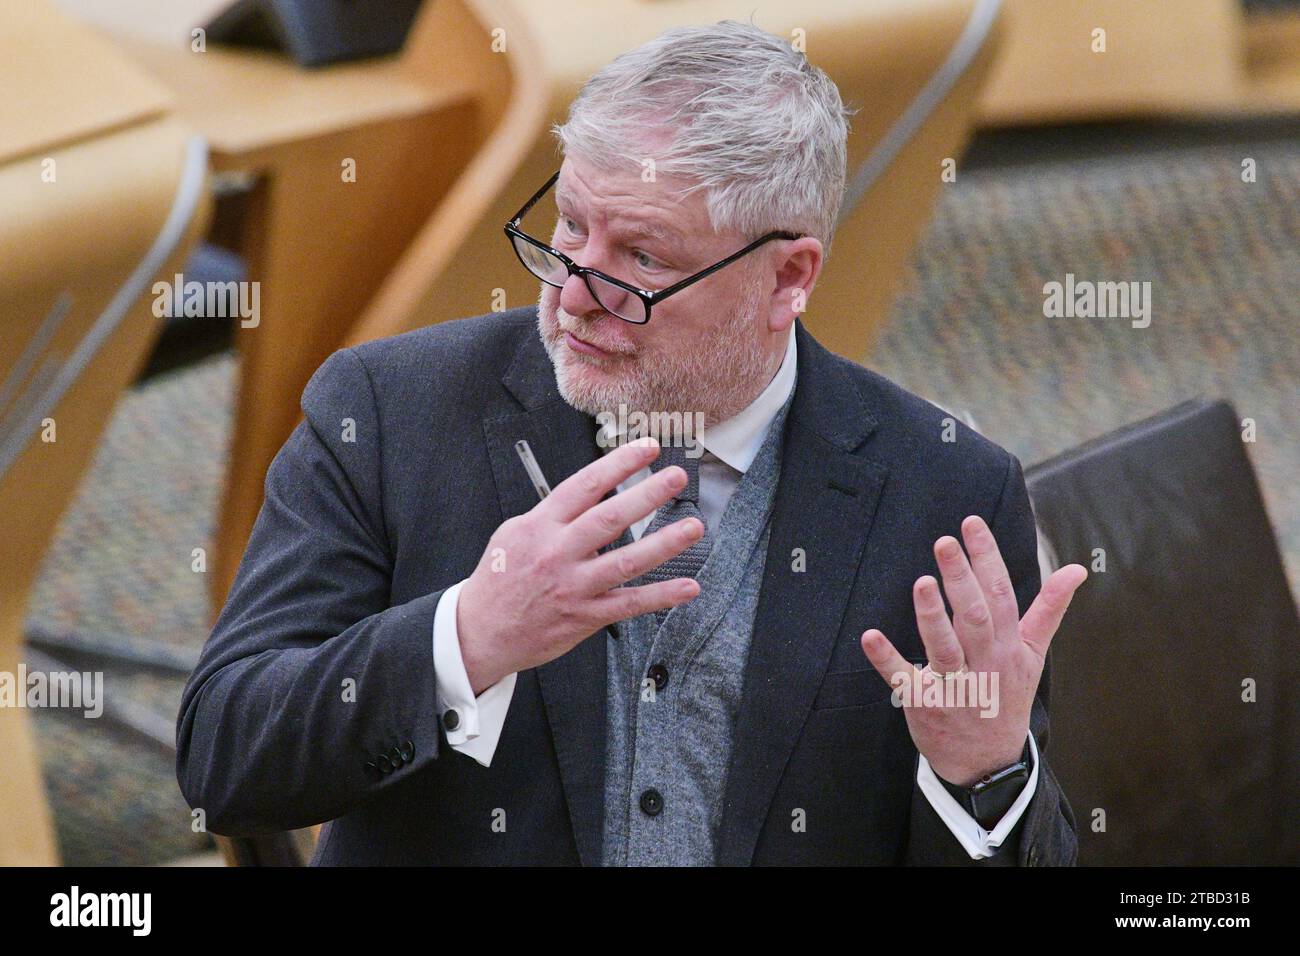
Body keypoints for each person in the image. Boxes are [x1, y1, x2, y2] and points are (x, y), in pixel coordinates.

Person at [177, 20, 1087, 865]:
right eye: (572, 226)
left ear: (788, 277)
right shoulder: (388, 413)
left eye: (644, 260)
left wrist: (983, 777)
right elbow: (224, 756)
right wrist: (465, 639)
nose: (575, 295)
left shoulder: (945, 491)